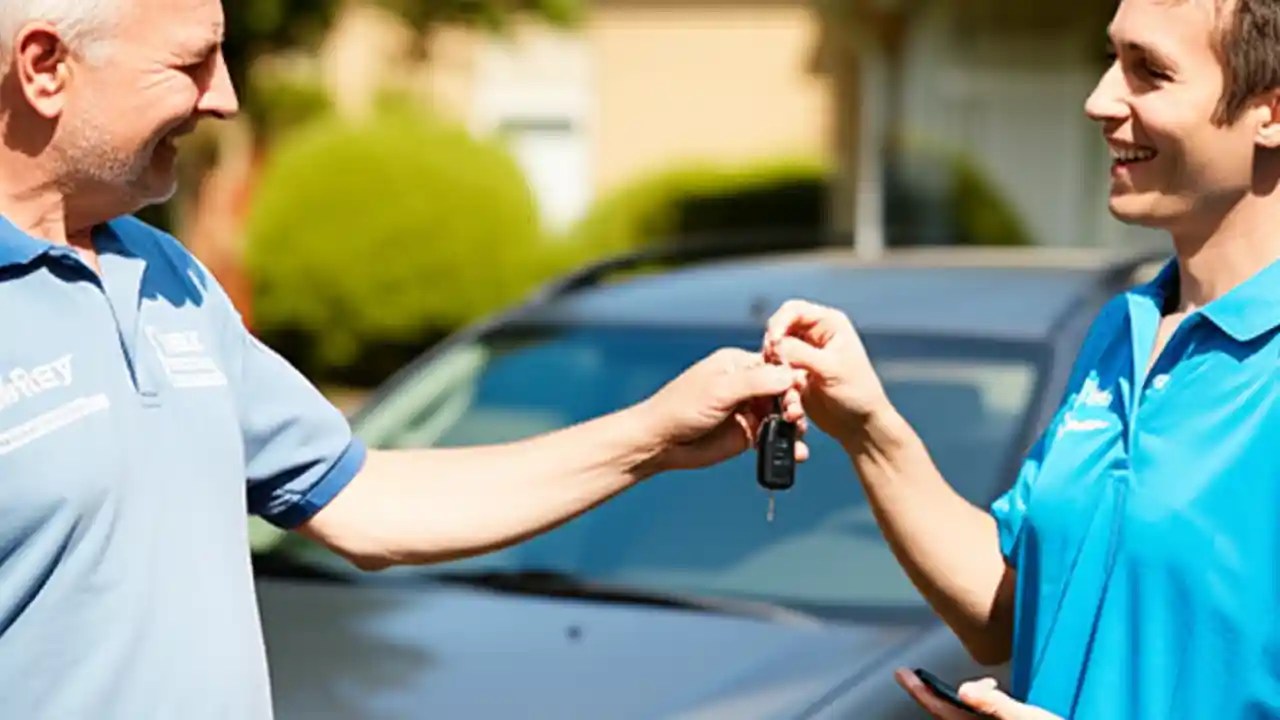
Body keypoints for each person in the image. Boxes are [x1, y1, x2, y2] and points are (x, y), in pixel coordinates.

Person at [0, 0, 811, 717]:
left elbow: (365, 502)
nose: (225, 97)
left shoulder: (170, 277)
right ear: (45, 68)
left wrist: (654, 435)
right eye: (189, 63)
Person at [766, 0, 1280, 717]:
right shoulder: (1121, 329)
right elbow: (1004, 608)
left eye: (1150, 72)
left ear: (1271, 112)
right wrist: (868, 427)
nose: (1099, 99)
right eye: (1112, 59)